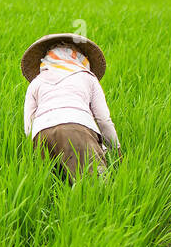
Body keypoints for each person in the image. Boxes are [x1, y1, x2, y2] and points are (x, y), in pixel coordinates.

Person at [21, 33, 121, 183]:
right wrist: (116, 150)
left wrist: (34, 148)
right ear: (79, 58)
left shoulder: (36, 82)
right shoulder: (88, 77)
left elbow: (29, 125)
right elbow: (103, 119)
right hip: (77, 129)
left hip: (41, 135)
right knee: (96, 187)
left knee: (55, 187)